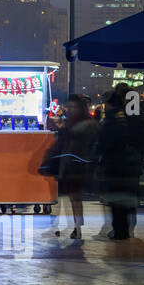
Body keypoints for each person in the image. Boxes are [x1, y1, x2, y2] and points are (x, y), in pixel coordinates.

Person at [92, 86, 144, 240]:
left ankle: (123, 230)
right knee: (127, 198)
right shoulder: (133, 113)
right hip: (131, 163)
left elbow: (106, 142)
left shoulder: (121, 116)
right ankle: (126, 229)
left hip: (119, 163)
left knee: (120, 199)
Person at [49, 94, 97, 239]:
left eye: (72, 106)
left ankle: (75, 227)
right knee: (67, 197)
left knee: (73, 197)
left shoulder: (84, 124)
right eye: (68, 106)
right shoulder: (75, 122)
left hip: (76, 164)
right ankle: (68, 226)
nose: (69, 109)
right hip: (69, 163)